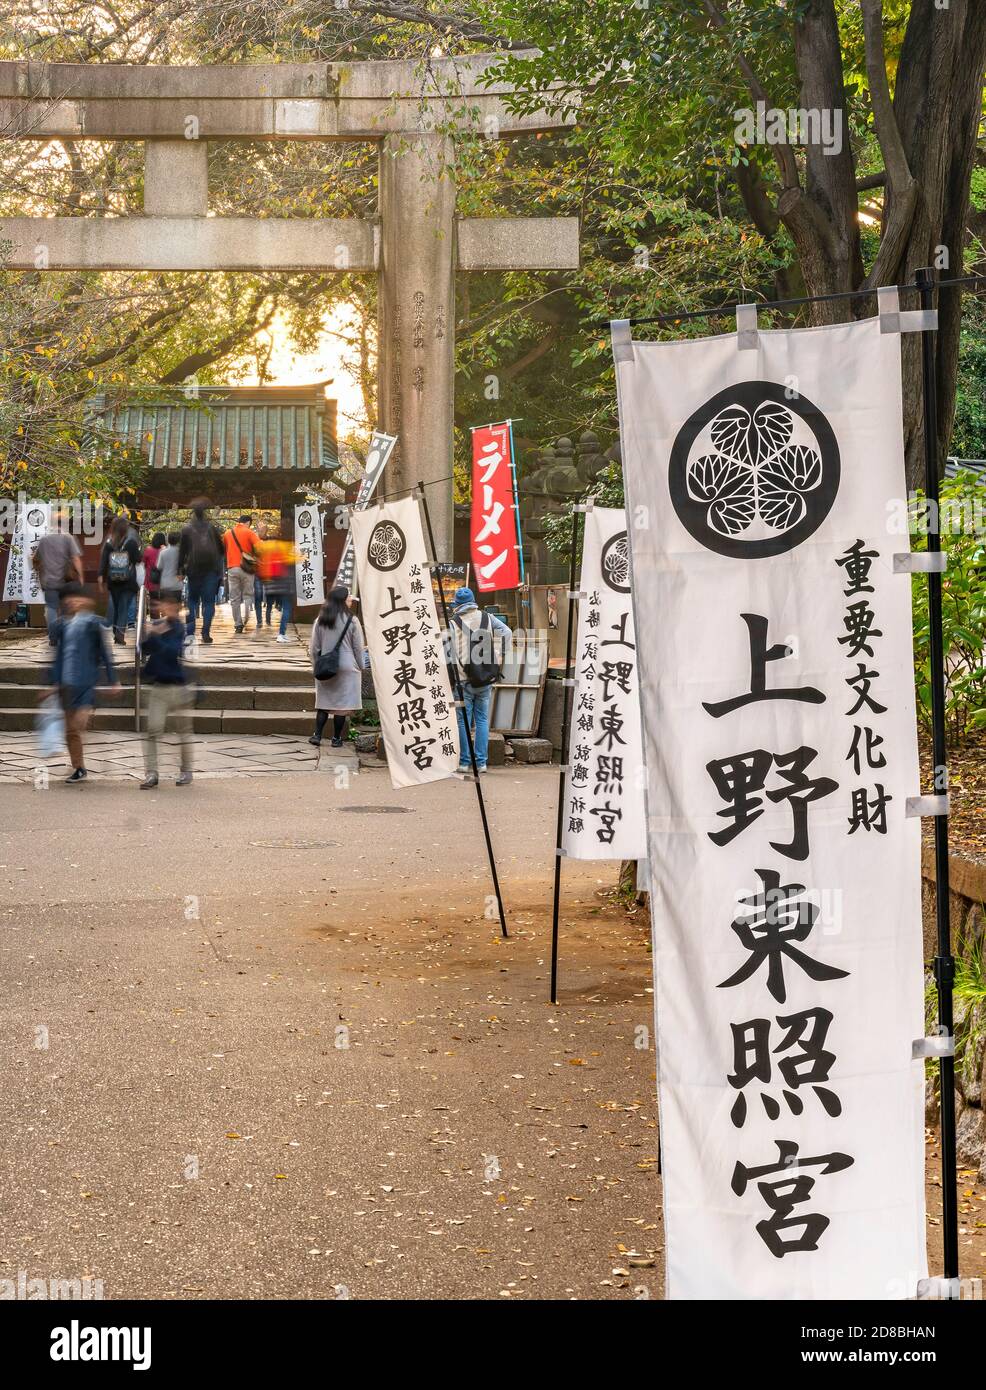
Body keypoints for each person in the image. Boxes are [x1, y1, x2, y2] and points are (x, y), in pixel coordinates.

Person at [45, 583, 122, 784]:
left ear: (88, 601)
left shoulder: (94, 624)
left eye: (78, 598)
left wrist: (114, 680)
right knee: (70, 731)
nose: (74, 602)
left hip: (86, 683)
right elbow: (58, 657)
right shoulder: (60, 626)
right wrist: (53, 683)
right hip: (66, 684)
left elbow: (105, 654)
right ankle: (79, 767)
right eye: (69, 599)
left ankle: (88, 746)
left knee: (78, 722)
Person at [447, 587, 511, 774]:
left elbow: (448, 652)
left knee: (463, 721)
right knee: (482, 719)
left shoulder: (453, 623)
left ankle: (465, 762)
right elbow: (507, 632)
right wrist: (500, 654)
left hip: (463, 679)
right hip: (485, 678)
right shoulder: (487, 617)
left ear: (457, 605)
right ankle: (481, 763)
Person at [139, 590, 194, 789]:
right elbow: (145, 649)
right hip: (159, 686)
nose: (166, 608)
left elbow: (171, 652)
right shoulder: (159, 625)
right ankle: (151, 773)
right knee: (153, 730)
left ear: (178, 607)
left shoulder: (182, 628)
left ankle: (186, 769)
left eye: (171, 605)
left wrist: (156, 634)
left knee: (183, 731)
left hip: (178, 686)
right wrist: (147, 634)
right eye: (164, 604)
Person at [308, 586, 367, 747]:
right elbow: (358, 648)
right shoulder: (352, 620)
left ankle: (317, 735)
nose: (350, 600)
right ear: (342, 600)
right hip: (348, 667)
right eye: (348, 597)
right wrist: (361, 666)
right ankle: (336, 738)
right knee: (342, 705)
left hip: (326, 666)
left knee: (323, 703)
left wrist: (317, 665)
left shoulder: (321, 620)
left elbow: (314, 648)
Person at [33, 507, 83, 645]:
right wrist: (81, 576)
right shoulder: (68, 538)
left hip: (49, 581)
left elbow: (35, 559)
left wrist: (39, 570)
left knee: (51, 608)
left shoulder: (44, 539)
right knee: (67, 608)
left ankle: (53, 637)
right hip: (66, 580)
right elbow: (75, 558)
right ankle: (66, 635)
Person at [177, 498, 224, 645]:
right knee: (209, 602)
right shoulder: (212, 528)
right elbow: (222, 549)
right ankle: (206, 632)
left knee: (192, 601)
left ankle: (190, 633)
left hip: (194, 570)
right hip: (211, 571)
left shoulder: (186, 529)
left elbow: (182, 552)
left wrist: (180, 570)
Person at [98, 513, 141, 645]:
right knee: (123, 608)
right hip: (128, 581)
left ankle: (115, 631)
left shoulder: (109, 543)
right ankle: (119, 635)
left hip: (113, 581)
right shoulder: (131, 543)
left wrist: (100, 578)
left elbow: (103, 562)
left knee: (117, 607)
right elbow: (138, 559)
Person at [223, 513, 260, 633]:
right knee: (248, 595)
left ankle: (238, 624)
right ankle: (246, 619)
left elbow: (223, 549)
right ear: (248, 522)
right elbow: (260, 547)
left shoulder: (227, 533)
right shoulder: (250, 532)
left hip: (232, 568)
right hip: (247, 568)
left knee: (234, 598)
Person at [143, 531, 166, 615]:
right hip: (163, 580)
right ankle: (164, 617)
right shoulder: (165, 550)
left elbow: (144, 563)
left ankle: (154, 618)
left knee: (153, 601)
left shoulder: (148, 550)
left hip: (152, 580)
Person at [156, 531, 182, 600]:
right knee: (176, 605)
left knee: (165, 605)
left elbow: (159, 567)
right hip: (177, 585)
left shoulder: (163, 552)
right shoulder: (181, 553)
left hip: (165, 584)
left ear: (168, 540)